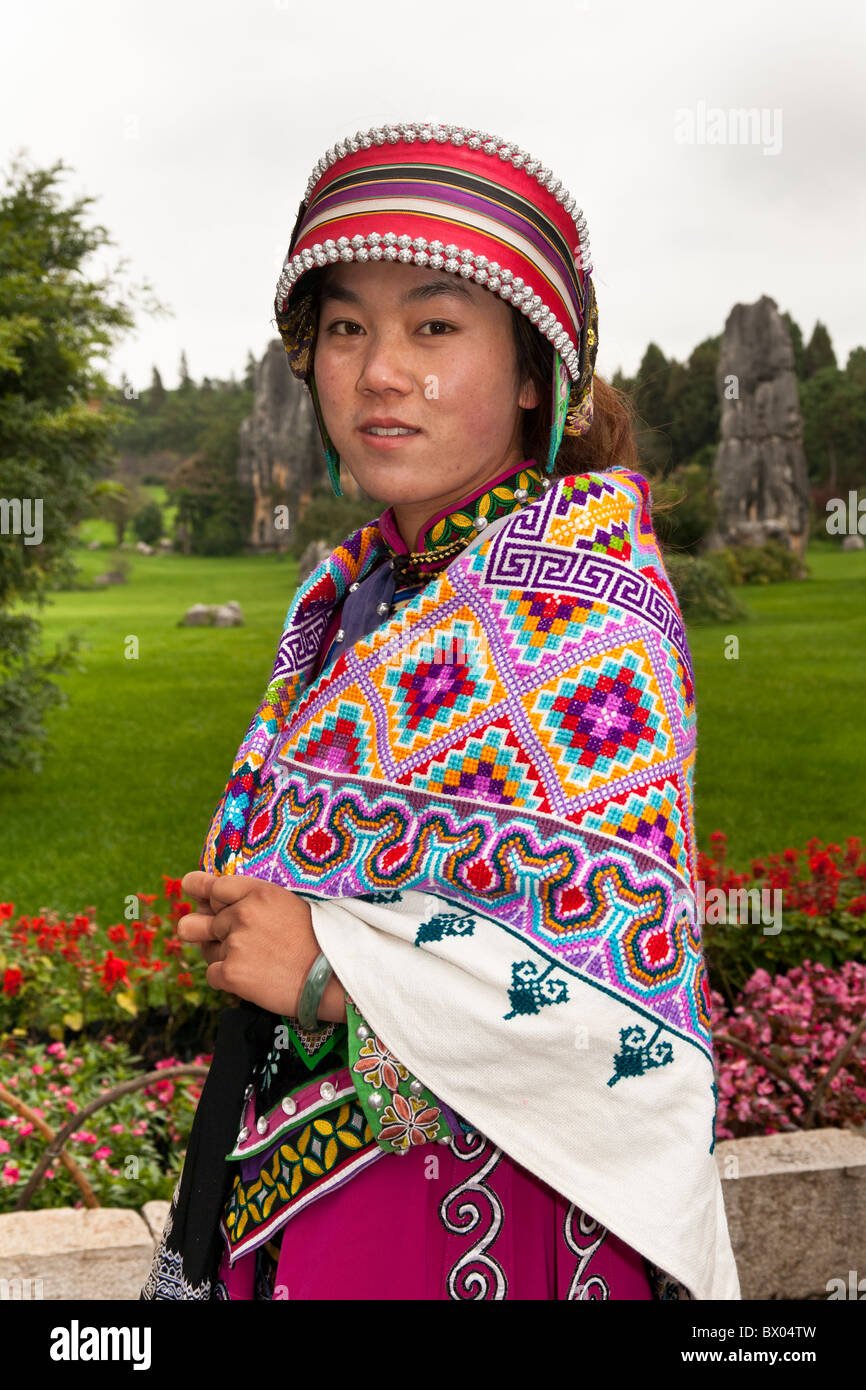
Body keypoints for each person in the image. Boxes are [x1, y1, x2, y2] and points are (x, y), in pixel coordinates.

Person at [141, 119, 740, 1301]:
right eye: (345, 328)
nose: (376, 370)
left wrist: (321, 974)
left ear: (533, 376)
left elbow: (625, 1032)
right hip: (303, 1193)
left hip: (483, 1228)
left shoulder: (584, 620)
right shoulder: (354, 591)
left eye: (432, 326)